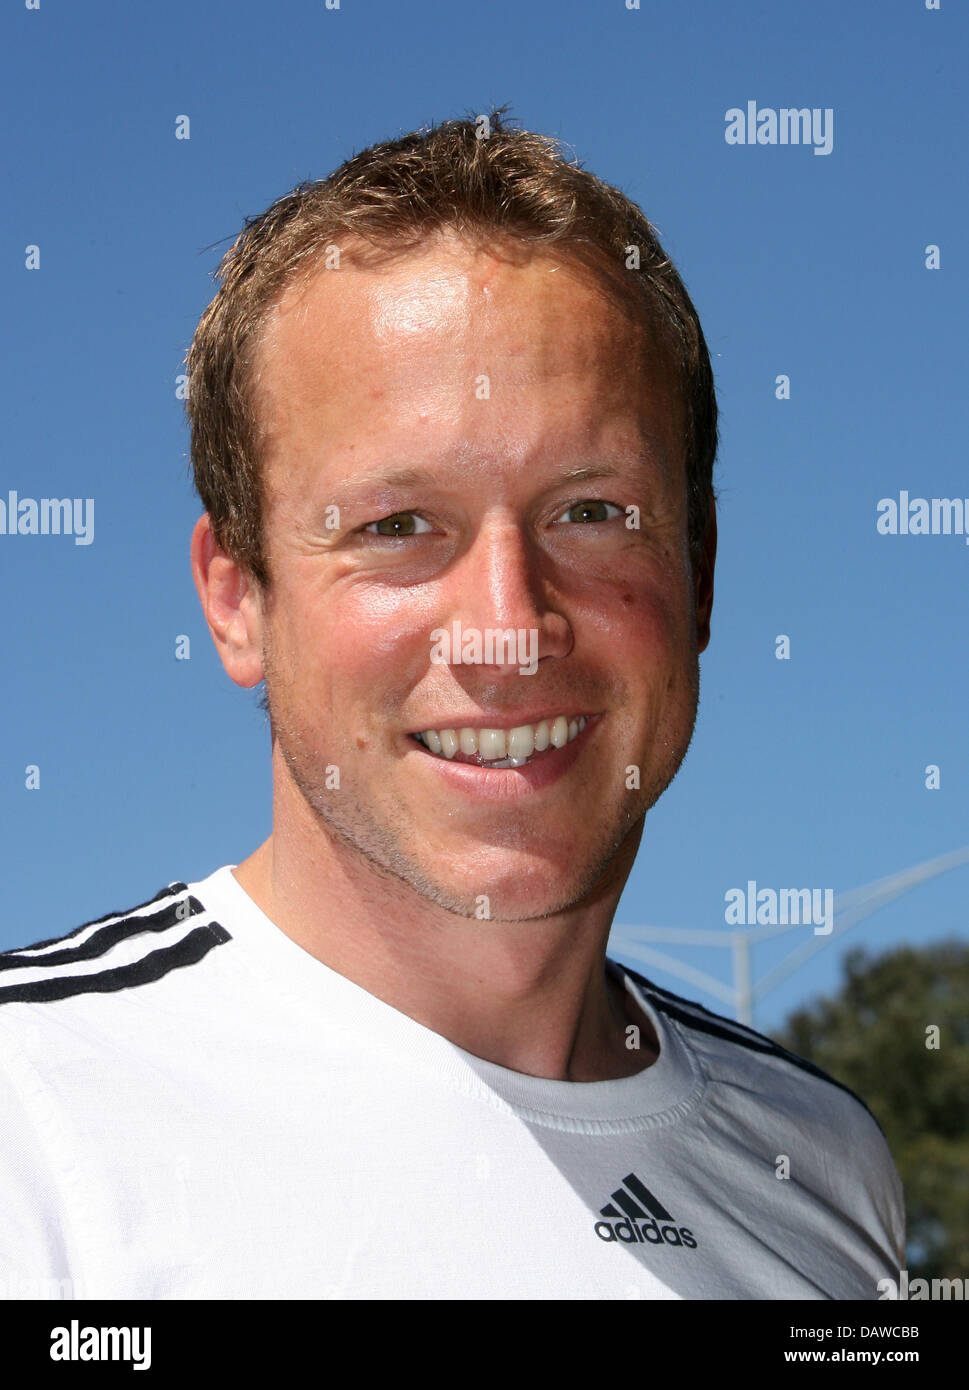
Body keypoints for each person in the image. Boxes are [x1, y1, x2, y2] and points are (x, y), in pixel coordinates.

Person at [0, 111, 903, 1299]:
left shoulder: (828, 1176)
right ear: (238, 602)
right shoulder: (33, 1120)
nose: (507, 627)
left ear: (700, 574)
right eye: (394, 527)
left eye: (592, 511)